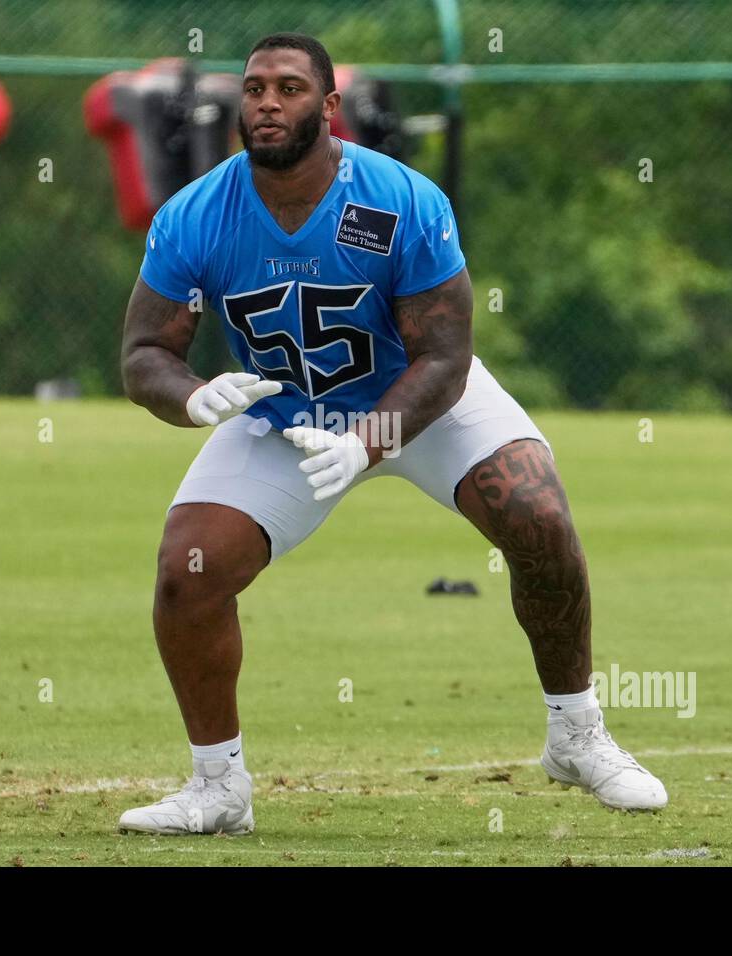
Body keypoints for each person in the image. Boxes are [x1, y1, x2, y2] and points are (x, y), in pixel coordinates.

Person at [117, 32, 667, 835]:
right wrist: (193, 395)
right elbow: (142, 354)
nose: (268, 103)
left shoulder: (400, 199)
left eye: (290, 88)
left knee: (536, 514)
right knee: (185, 572)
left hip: (417, 403)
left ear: (330, 106)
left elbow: (445, 357)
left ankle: (577, 735)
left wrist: (369, 439)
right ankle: (217, 788)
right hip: (289, 418)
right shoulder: (197, 213)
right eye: (255, 88)